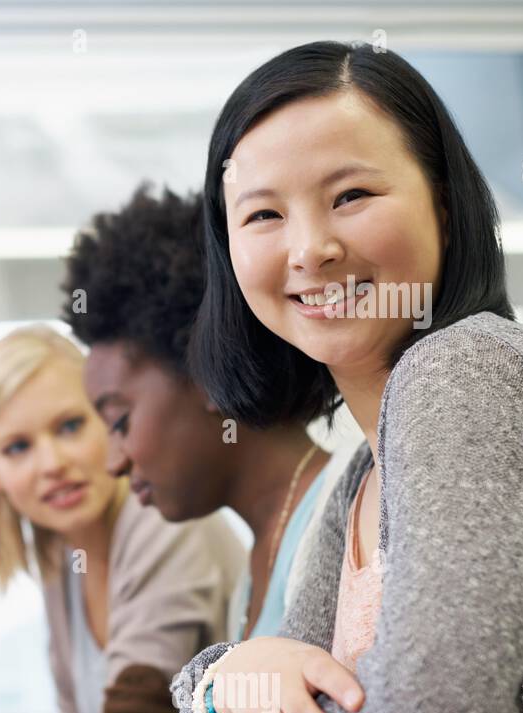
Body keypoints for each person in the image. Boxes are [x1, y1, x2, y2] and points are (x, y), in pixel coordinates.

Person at [172, 41, 523, 713]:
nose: (311, 249)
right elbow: (268, 705)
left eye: (350, 196)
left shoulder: (471, 371)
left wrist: (238, 686)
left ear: (447, 211)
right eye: (263, 214)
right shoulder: (367, 468)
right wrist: (217, 684)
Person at [63, 183, 355, 648]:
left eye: (120, 422)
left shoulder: (351, 517)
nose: (112, 463)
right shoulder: (254, 568)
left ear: (205, 369)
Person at [0, 325, 244, 713]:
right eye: (18, 448)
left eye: (70, 426)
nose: (52, 464)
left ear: (109, 419)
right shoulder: (64, 557)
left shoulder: (161, 520)